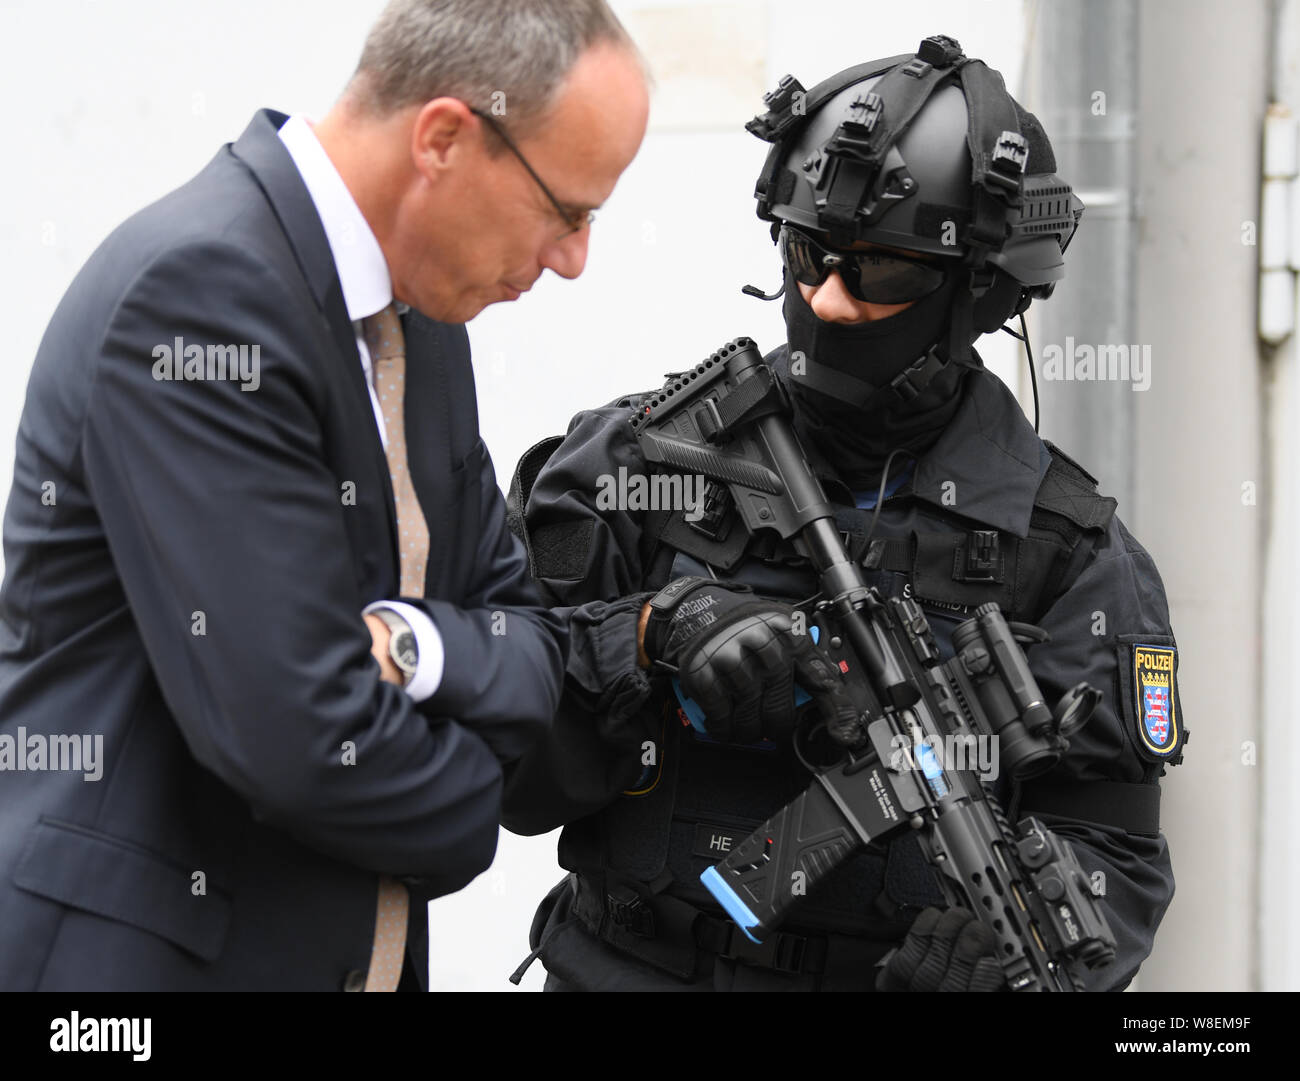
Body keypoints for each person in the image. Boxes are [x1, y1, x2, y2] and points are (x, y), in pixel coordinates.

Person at [502, 35, 1185, 992]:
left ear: (978, 291)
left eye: (883, 271)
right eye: (807, 250)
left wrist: (1030, 939)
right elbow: (506, 769)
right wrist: (649, 641)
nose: (825, 295)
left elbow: (1117, 849)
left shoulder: (1067, 555)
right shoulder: (631, 466)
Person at [0, 0, 649, 991]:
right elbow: (305, 739)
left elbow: (530, 636)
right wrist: (473, 796)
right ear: (442, 136)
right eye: (567, 210)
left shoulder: (425, 323)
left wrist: (410, 645)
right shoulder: (202, 293)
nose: (573, 259)